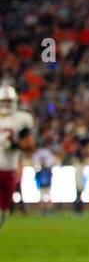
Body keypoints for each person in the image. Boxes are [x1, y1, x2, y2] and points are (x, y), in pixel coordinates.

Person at [0, 84, 35, 231]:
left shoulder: (22, 119)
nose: (7, 105)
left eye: (9, 101)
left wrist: (14, 145)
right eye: (4, 102)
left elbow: (29, 147)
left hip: (9, 168)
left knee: (3, 211)